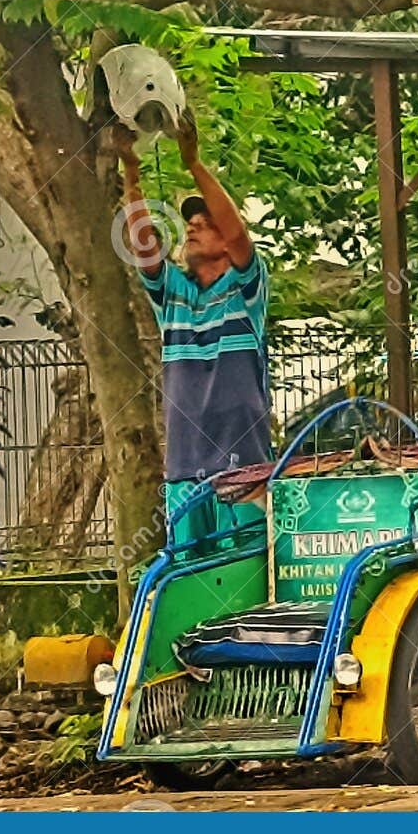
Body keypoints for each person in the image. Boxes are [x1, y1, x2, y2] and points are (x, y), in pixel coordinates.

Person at [118, 114, 271, 547]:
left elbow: (241, 234)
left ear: (227, 242)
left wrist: (194, 164)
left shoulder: (246, 289)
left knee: (246, 582)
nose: (192, 227)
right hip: (185, 469)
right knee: (189, 578)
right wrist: (131, 173)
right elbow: (144, 246)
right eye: (191, 224)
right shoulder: (173, 292)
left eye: (206, 224)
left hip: (245, 471)